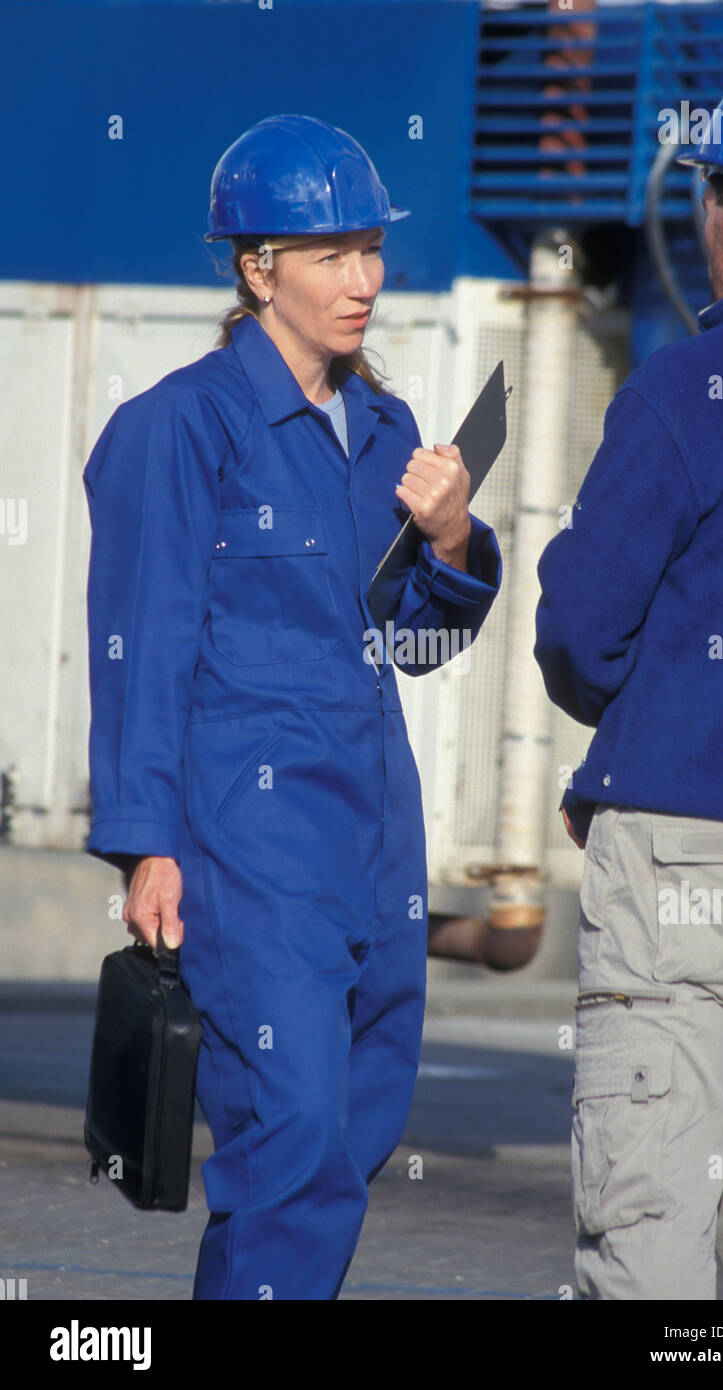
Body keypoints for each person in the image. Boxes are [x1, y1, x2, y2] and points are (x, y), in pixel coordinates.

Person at [82, 114, 502, 1300]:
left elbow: (422, 639)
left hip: (374, 832)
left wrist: (453, 535)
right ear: (257, 267)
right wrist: (147, 840)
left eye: (370, 249)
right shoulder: (182, 425)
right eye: (329, 254)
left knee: (354, 1126)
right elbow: (139, 643)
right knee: (292, 1139)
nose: (363, 280)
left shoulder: (389, 432)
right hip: (250, 840)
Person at [533, 61, 723, 1300]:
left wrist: (644, 718)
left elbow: (583, 633)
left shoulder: (684, 389)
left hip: (691, 857)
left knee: (651, 1231)